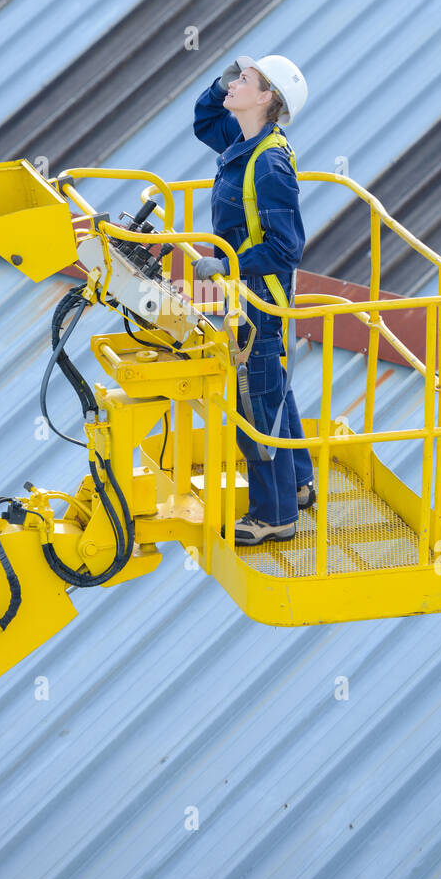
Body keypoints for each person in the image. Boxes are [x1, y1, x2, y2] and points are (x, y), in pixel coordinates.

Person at [193, 54, 316, 545]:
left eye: (245, 80)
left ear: (267, 98)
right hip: (241, 294)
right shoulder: (246, 143)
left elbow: (287, 248)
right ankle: (300, 484)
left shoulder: (267, 164)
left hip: (256, 302)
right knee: (275, 390)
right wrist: (217, 83)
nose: (234, 84)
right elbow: (205, 122)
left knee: (256, 406)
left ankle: (276, 515)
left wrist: (227, 266)